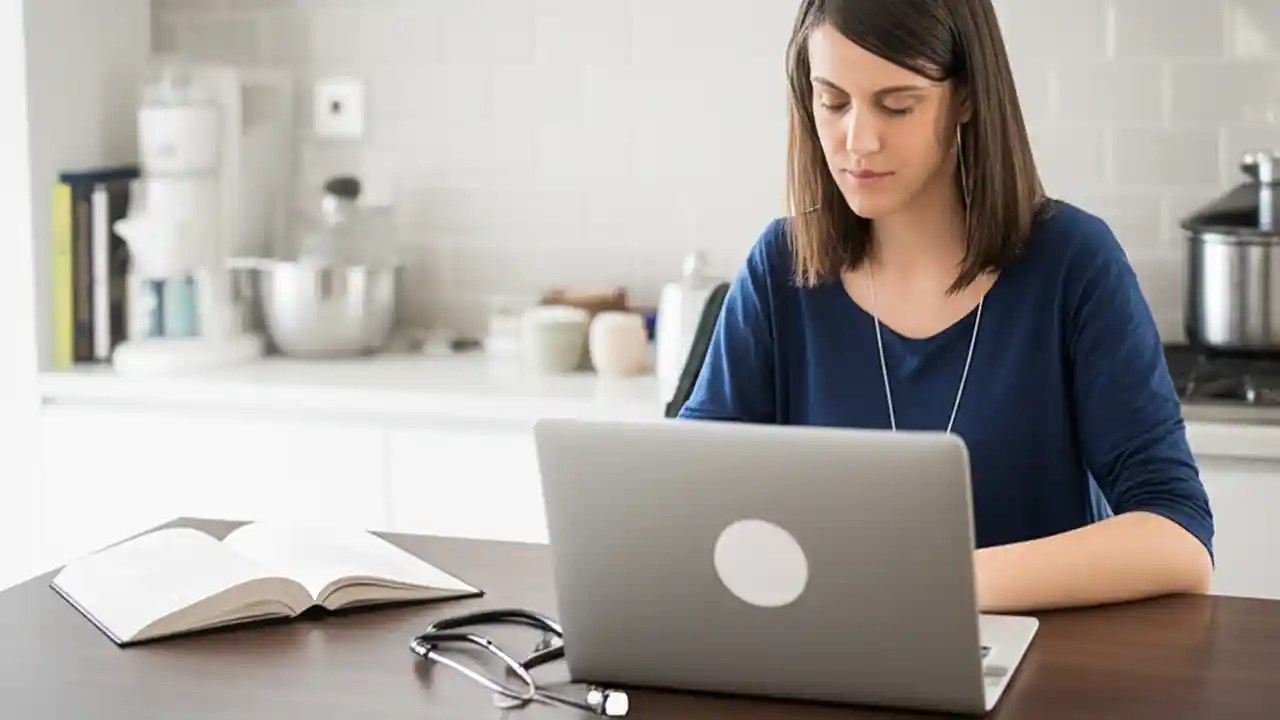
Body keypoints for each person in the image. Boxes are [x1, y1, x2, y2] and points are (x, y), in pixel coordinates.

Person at [677, 0, 1214, 613]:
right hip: (828, 657)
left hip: (1034, 672)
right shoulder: (780, 265)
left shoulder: (1073, 263)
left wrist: (934, 584)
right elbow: (696, 498)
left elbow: (1177, 535)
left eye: (897, 104)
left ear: (965, 97)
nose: (858, 140)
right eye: (832, 102)